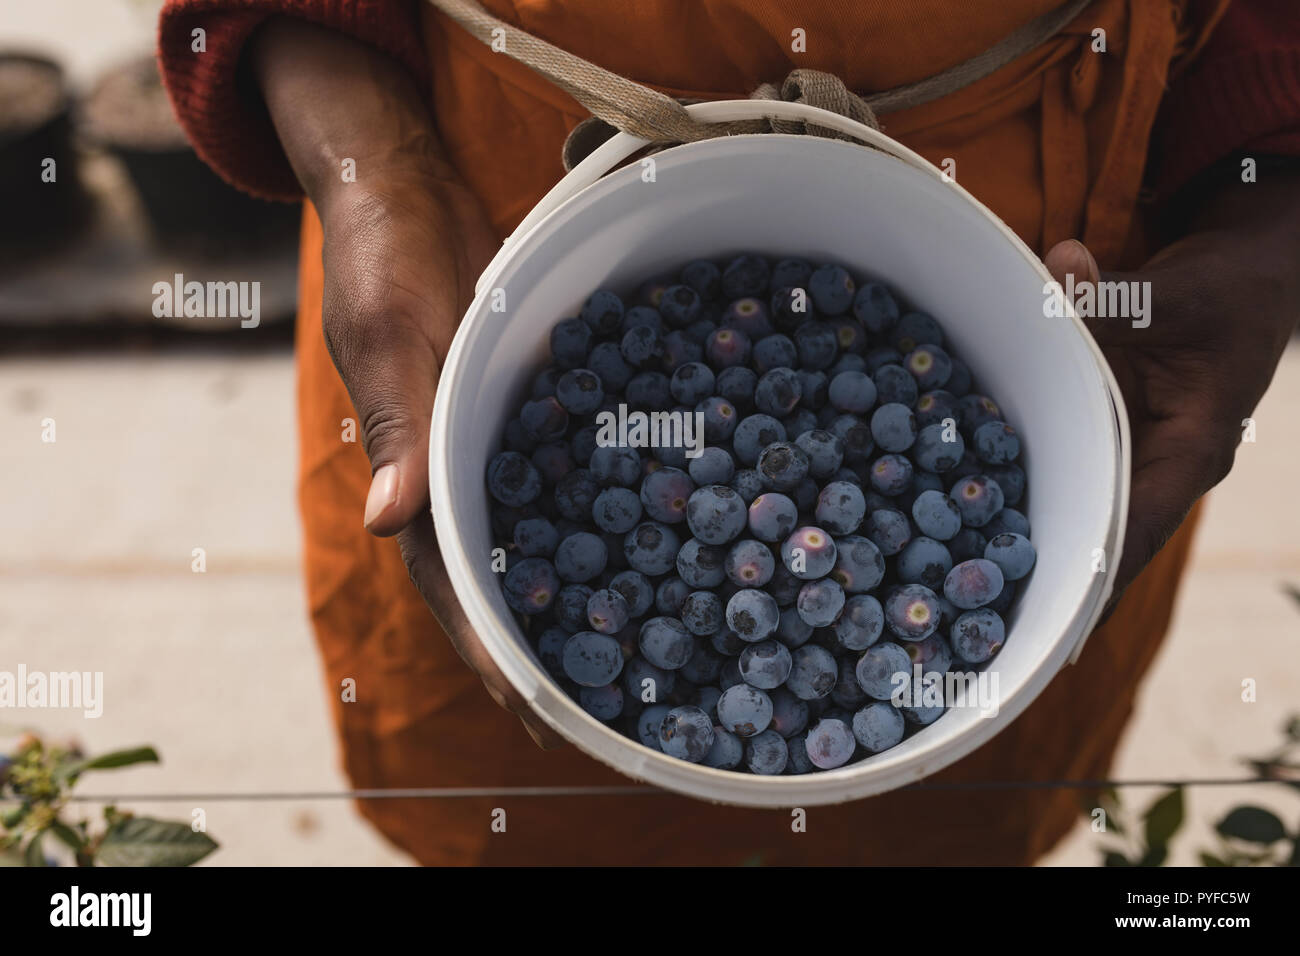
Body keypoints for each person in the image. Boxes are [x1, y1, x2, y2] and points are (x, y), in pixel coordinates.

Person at [158, 0, 1300, 865]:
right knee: (531, 812)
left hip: (1048, 178)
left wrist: (1271, 193)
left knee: (942, 821)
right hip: (482, 194)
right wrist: (371, 168)